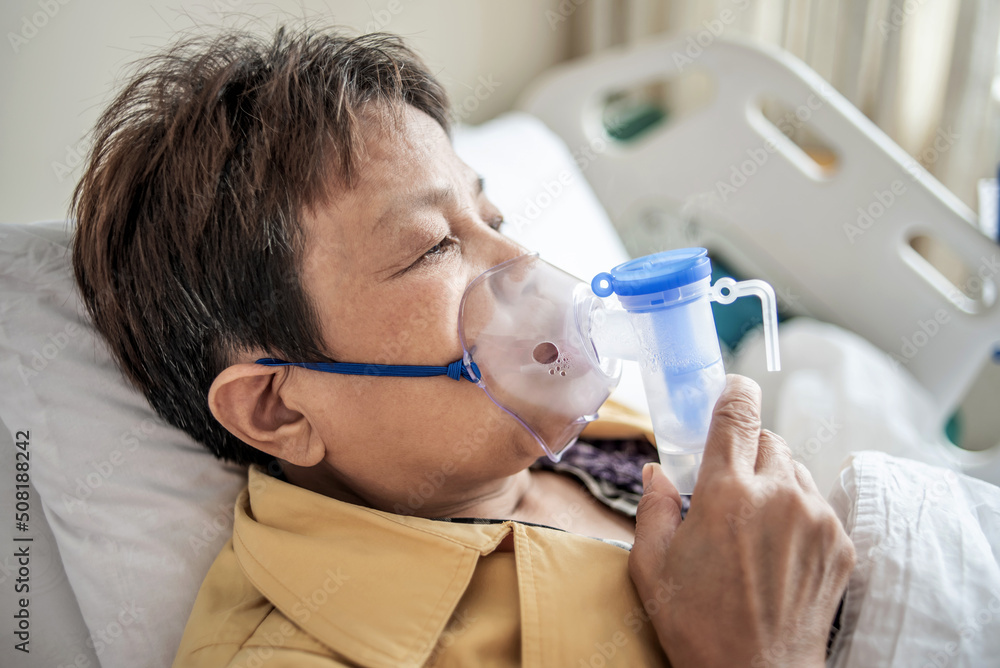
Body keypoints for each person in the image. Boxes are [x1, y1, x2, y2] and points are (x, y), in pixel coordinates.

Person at [71, 26, 854, 667]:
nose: (521, 267)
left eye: (495, 221)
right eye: (433, 248)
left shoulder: (574, 433)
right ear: (278, 408)